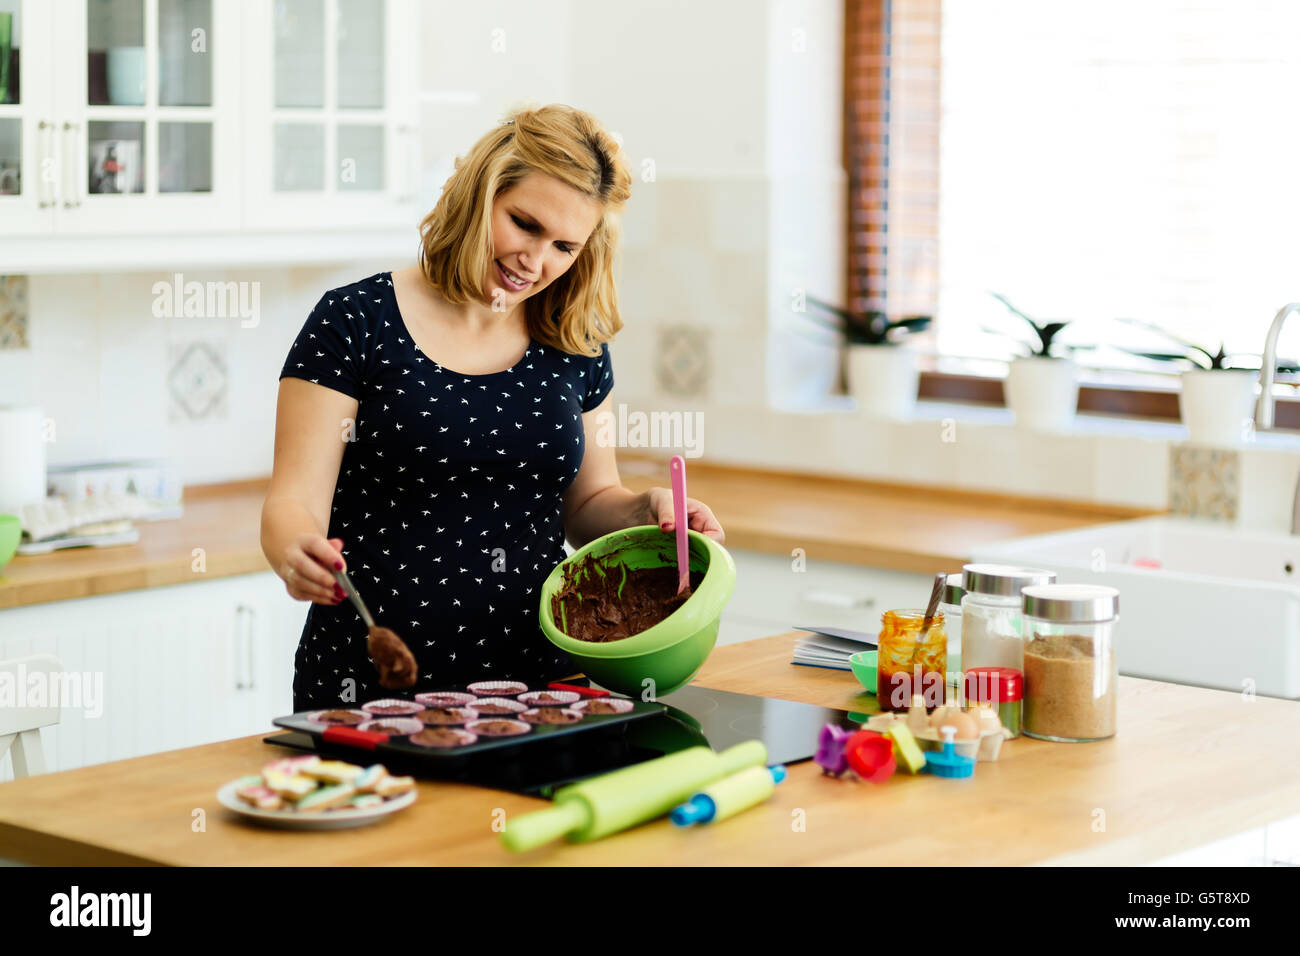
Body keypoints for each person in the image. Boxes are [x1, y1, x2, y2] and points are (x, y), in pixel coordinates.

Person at [261, 104, 725, 711]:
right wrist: (295, 549)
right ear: (480, 193)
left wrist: (648, 507)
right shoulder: (354, 322)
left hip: (540, 688)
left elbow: (586, 505)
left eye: (564, 246)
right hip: (373, 685)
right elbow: (292, 502)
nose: (536, 262)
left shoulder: (574, 339)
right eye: (524, 224)